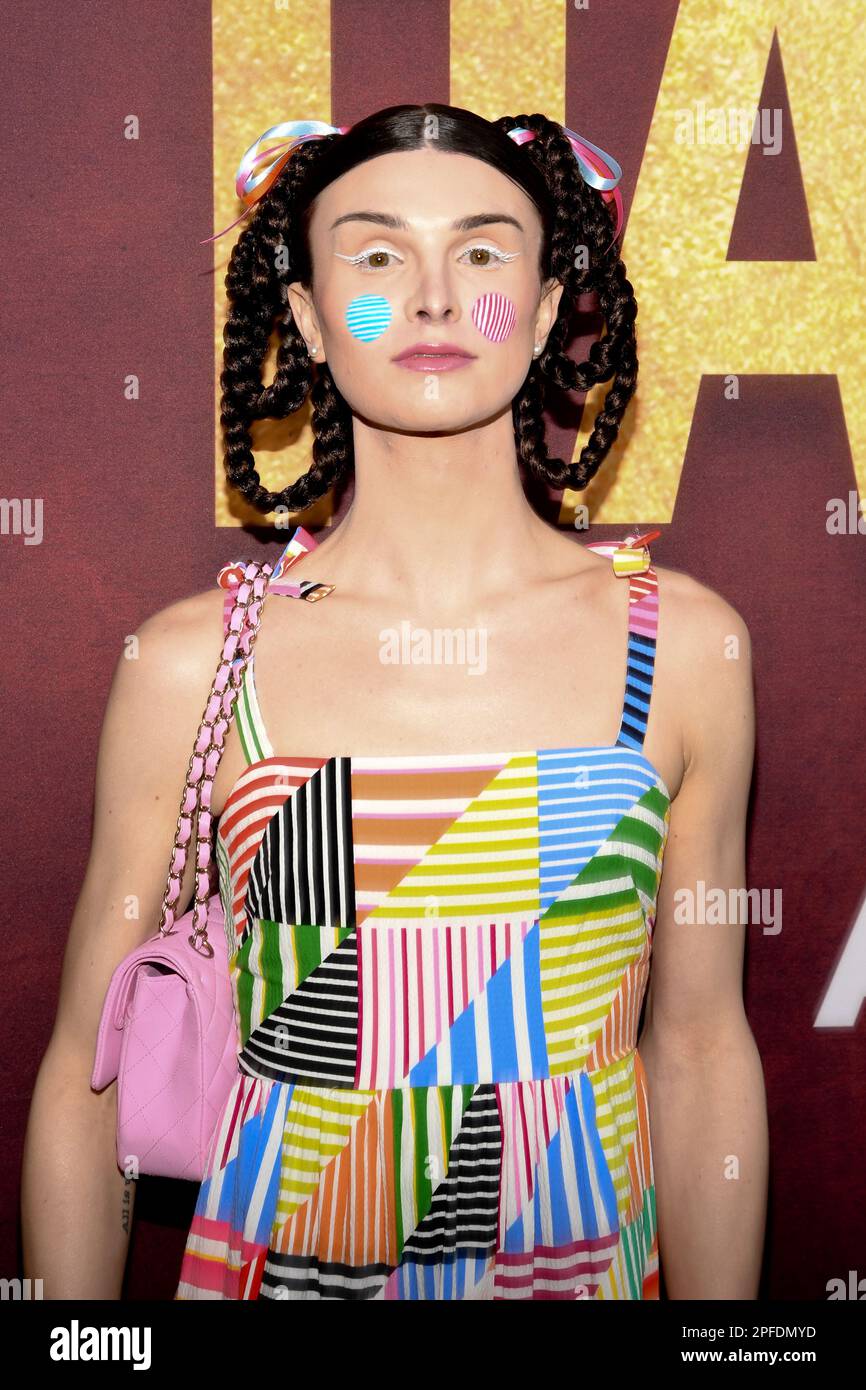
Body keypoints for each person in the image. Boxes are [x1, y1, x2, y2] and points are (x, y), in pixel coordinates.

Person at [22, 103, 767, 1300]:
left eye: (479, 251)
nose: (428, 296)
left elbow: (694, 1046)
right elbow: (82, 1070)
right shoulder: (194, 659)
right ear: (310, 321)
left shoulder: (680, 647)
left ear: (538, 311)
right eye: (375, 255)